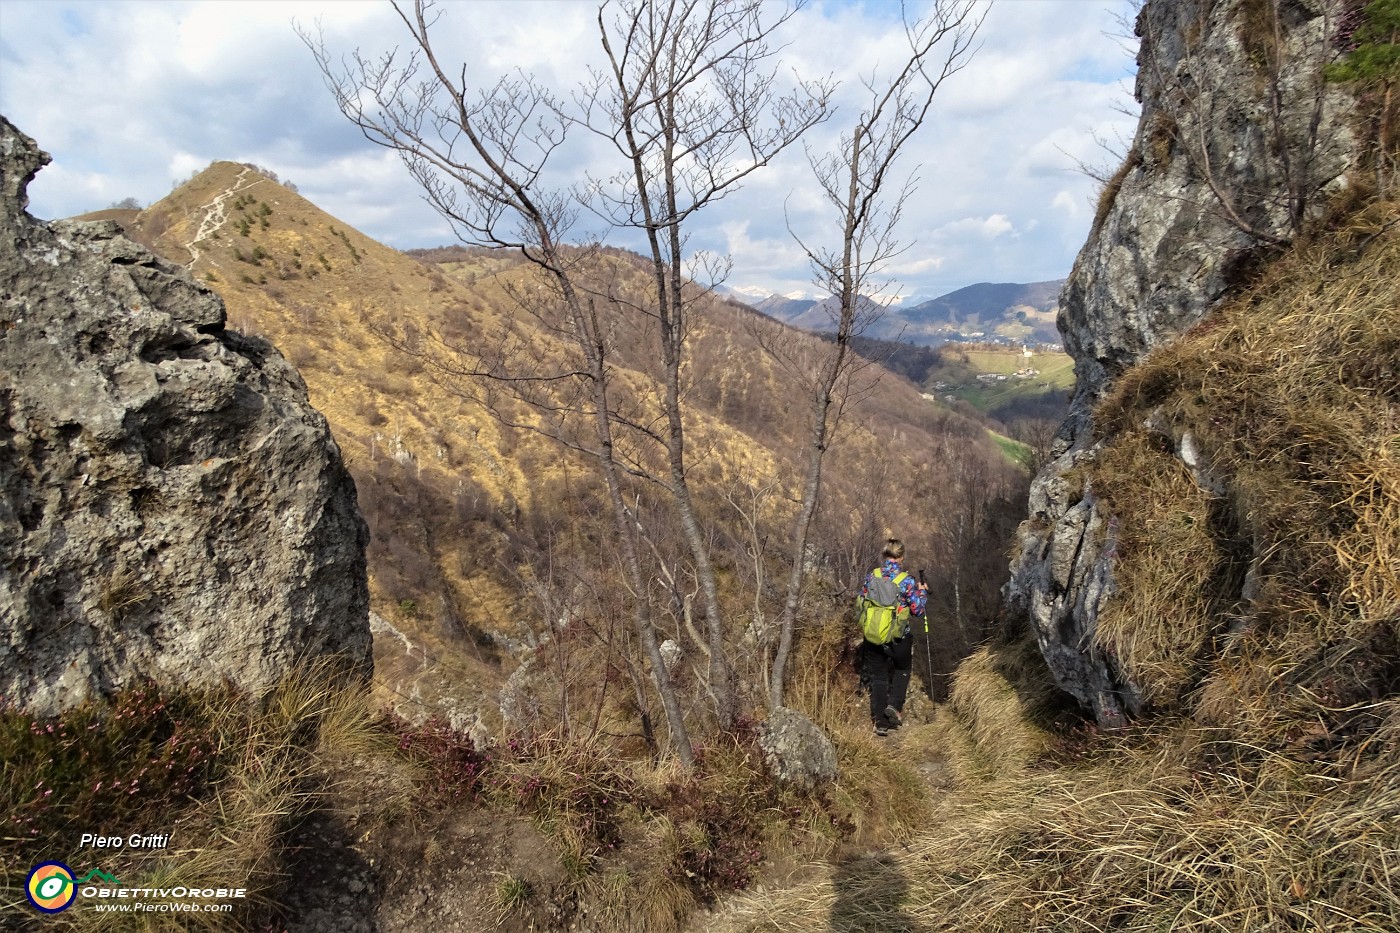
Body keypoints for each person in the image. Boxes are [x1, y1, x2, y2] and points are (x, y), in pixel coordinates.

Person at [860, 538, 927, 736]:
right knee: (903, 668)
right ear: (902, 557)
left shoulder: (872, 577)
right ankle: (895, 706)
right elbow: (918, 611)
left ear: (884, 555)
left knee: (879, 676)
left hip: (873, 636)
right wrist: (922, 593)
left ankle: (879, 722)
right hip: (899, 637)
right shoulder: (906, 581)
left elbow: (862, 600)